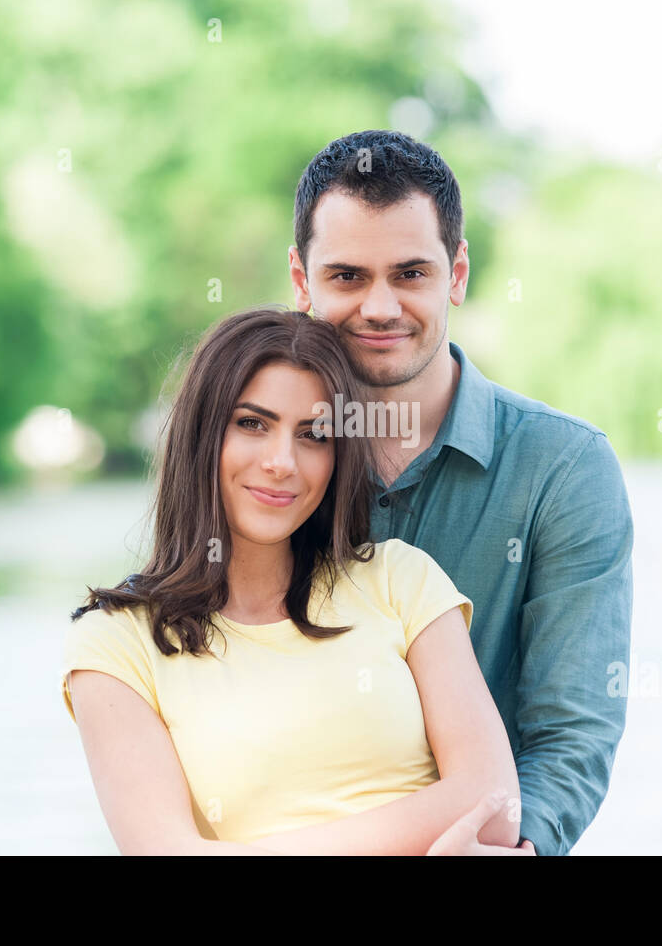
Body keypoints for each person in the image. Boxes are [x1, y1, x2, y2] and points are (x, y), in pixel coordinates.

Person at [60, 308, 529, 855]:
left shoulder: (401, 578)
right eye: (252, 423)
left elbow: (496, 804)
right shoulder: (116, 641)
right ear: (202, 433)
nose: (282, 462)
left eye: (314, 435)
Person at [287, 130, 635, 855]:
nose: (380, 307)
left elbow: (571, 732)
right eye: (347, 276)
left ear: (458, 273)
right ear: (301, 280)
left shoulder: (564, 467)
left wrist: (516, 848)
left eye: (410, 273)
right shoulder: (259, 464)